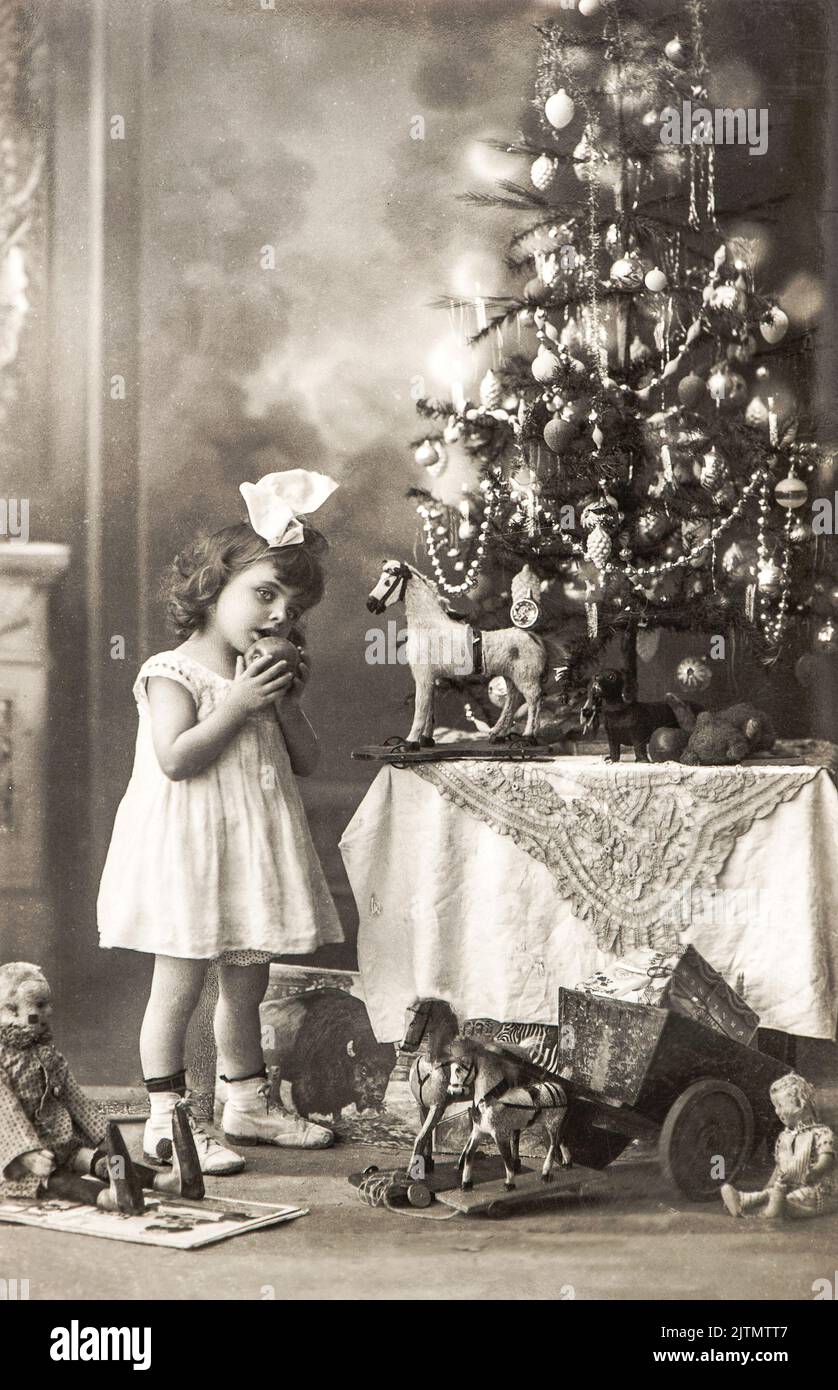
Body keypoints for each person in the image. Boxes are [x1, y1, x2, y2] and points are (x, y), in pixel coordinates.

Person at [97, 471, 344, 1174]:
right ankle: (168, 1117)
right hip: (188, 855)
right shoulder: (172, 671)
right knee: (178, 988)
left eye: (292, 609)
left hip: (252, 853)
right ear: (212, 588)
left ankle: (247, 1099)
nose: (278, 617)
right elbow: (176, 759)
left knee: (248, 980)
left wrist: (285, 703)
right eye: (264, 595)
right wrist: (236, 705)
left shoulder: (259, 674)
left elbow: (306, 758)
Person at [720, 1072, 836, 1220]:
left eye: (780, 1105)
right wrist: (768, 1188)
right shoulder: (784, 1137)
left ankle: (779, 1208)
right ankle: (742, 1200)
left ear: (799, 1105)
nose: (777, 1111)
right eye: (775, 1106)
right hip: (787, 1187)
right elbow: (779, 1167)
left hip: (818, 1188)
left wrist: (814, 1172)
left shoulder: (821, 1133)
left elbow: (827, 1159)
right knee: (772, 1192)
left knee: (804, 1196)